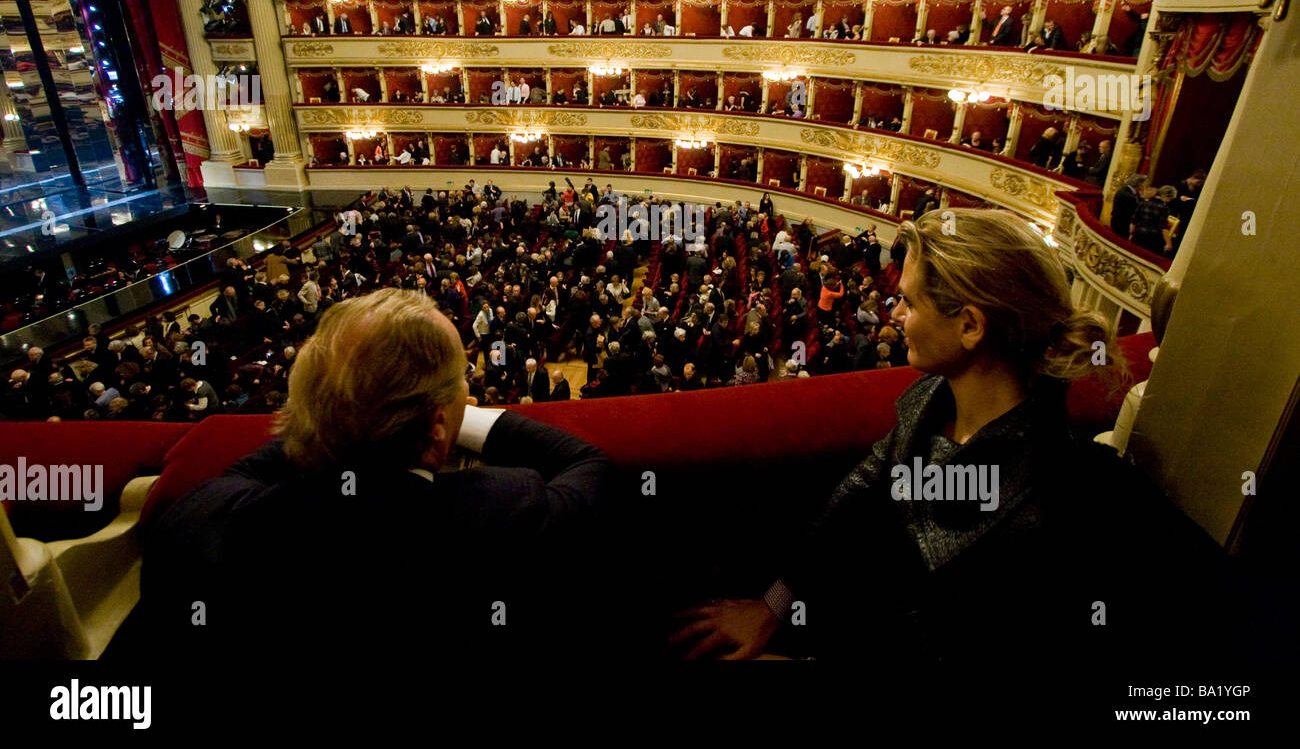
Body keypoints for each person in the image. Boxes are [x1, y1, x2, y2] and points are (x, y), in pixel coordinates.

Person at [668, 208, 1240, 665]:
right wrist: (773, 606)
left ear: (970, 325)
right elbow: (858, 496)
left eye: (910, 302)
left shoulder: (1054, 502)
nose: (895, 316)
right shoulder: (931, 402)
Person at [141, 290, 608, 659]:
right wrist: (452, 418)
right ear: (438, 422)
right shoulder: (509, 509)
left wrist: (338, 411)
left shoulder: (204, 521)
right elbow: (589, 465)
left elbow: (254, 467)